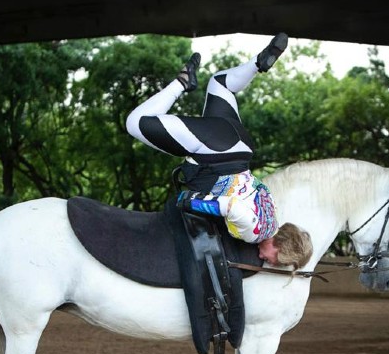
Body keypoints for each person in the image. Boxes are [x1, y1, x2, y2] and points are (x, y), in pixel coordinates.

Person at [125, 33, 313, 270]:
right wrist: (190, 201)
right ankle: (182, 83)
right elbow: (231, 207)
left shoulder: (273, 216)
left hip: (240, 144)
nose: (267, 260)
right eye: (277, 260)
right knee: (135, 123)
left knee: (220, 83)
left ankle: (257, 63)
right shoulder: (253, 232)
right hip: (216, 151)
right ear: (278, 247)